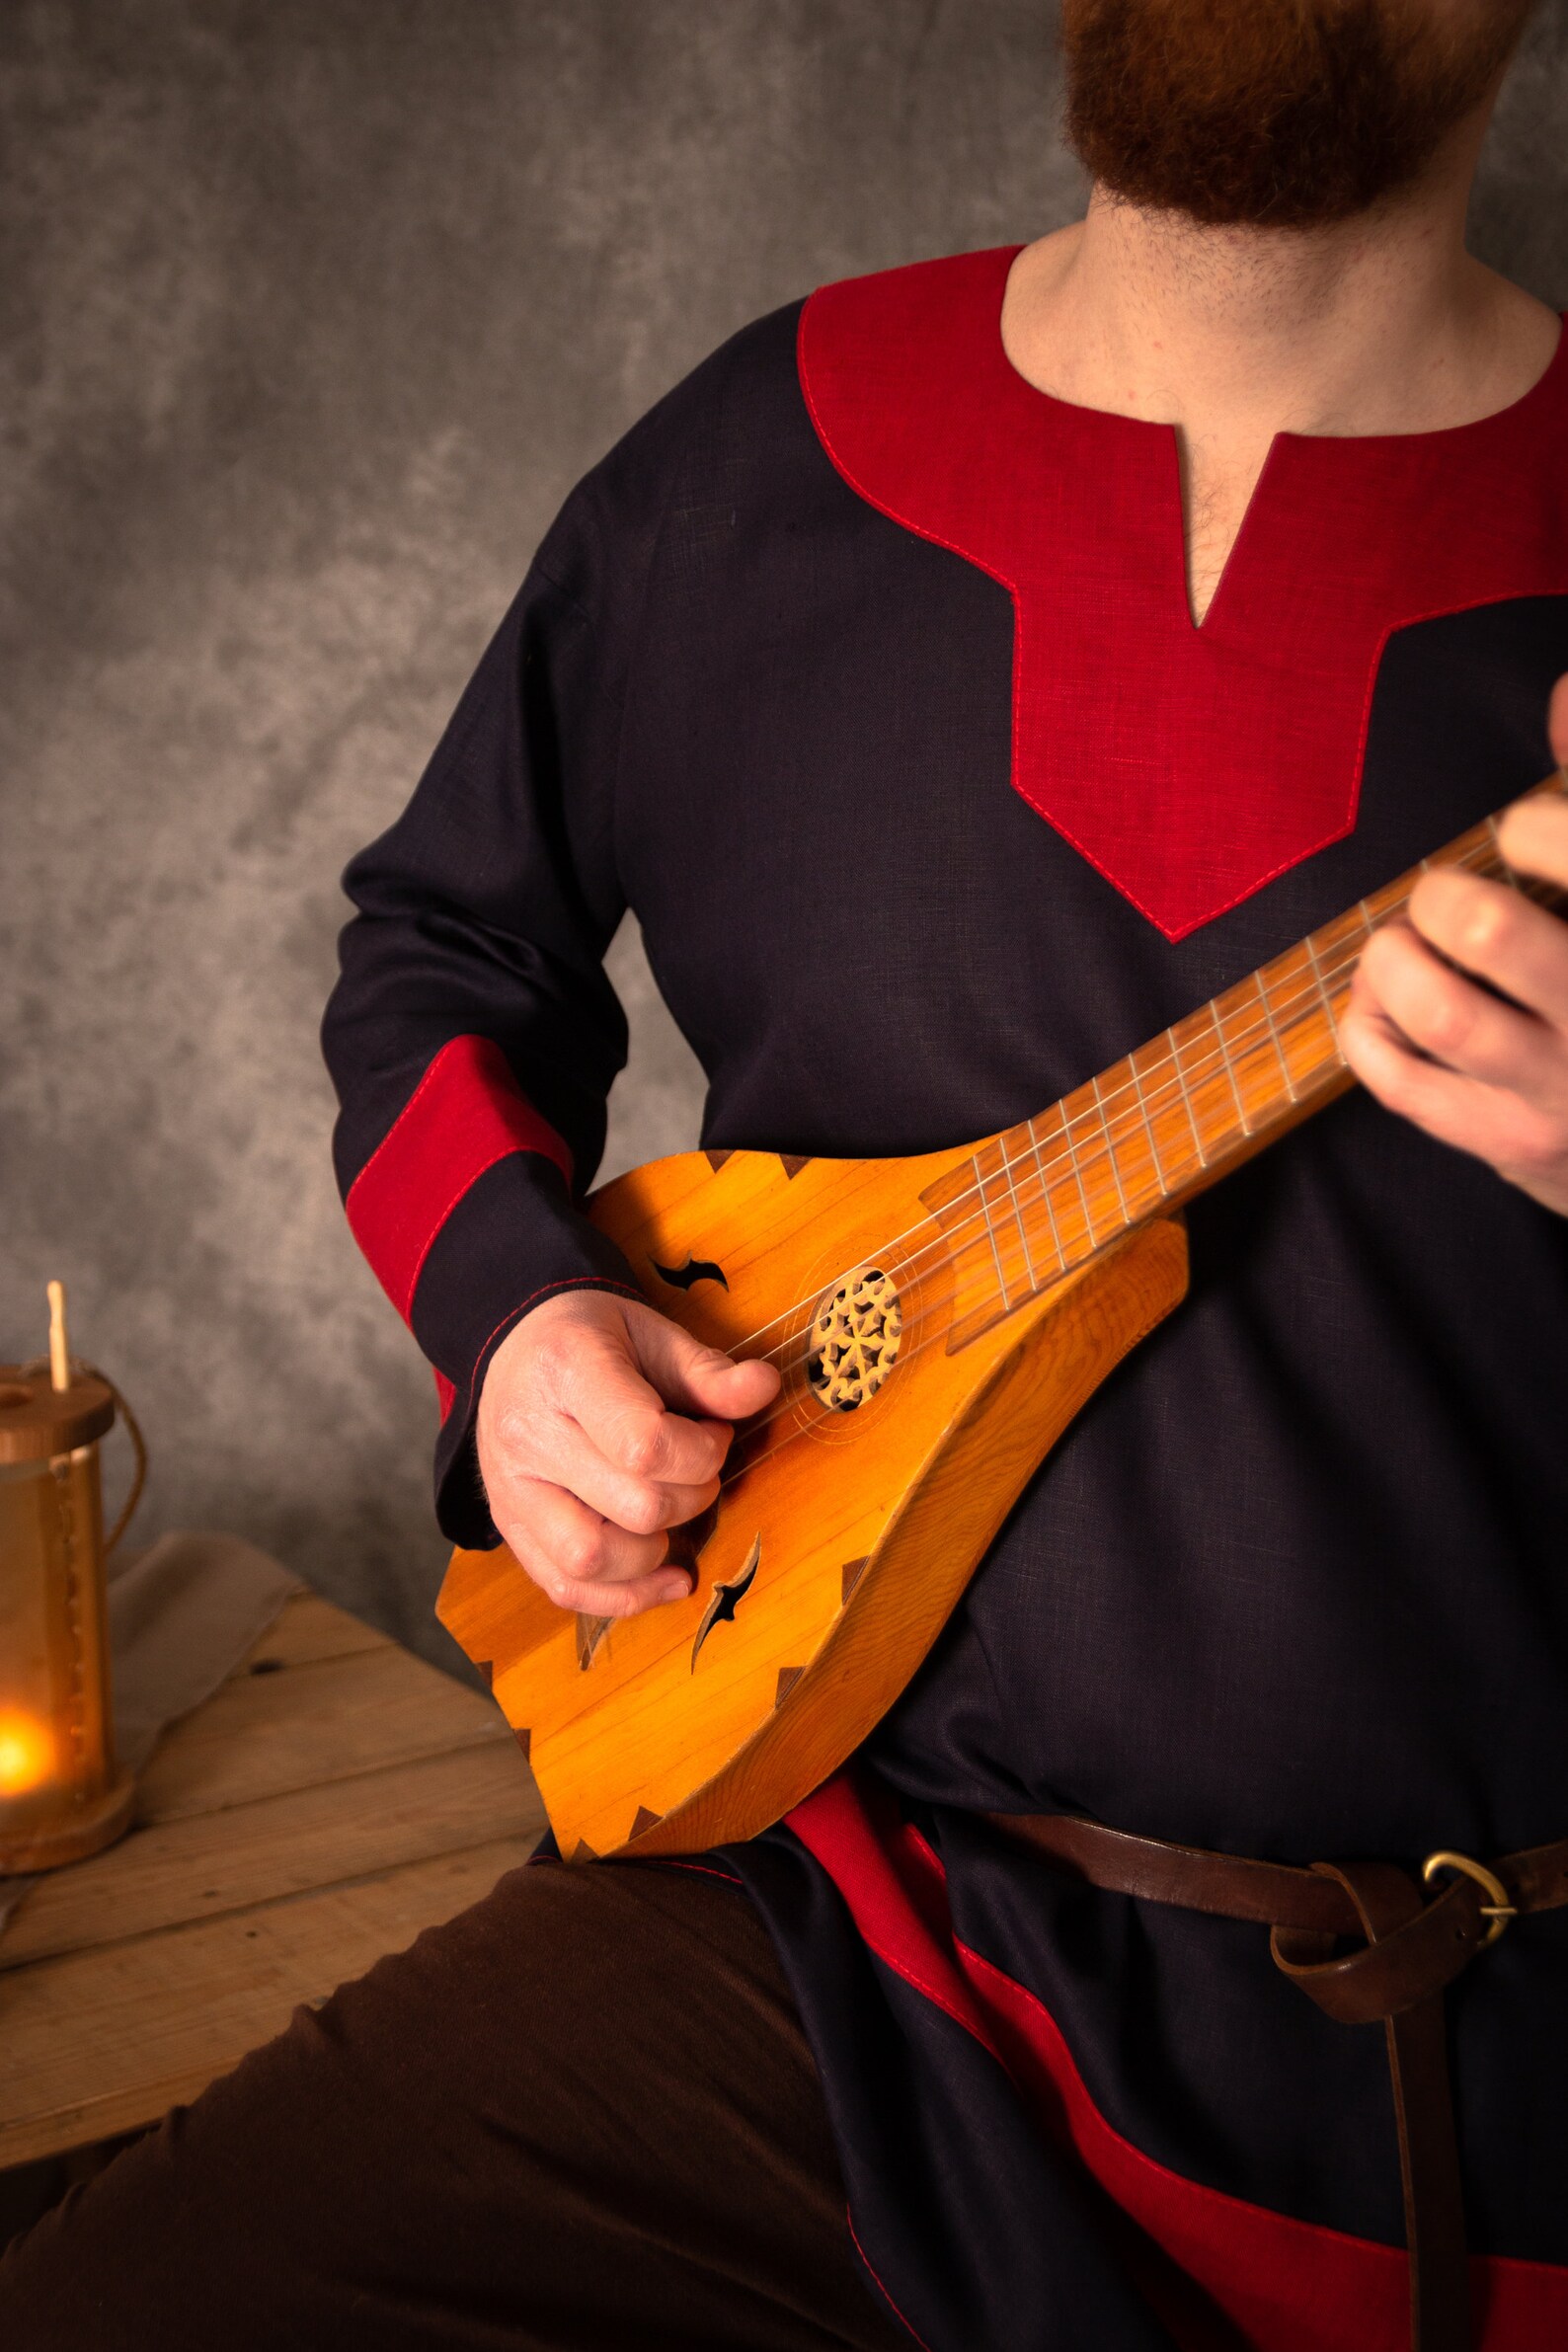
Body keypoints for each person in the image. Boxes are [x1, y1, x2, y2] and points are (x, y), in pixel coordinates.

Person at [5, 3, 1567, 2346]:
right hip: (843, 1945)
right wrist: (521, 1319)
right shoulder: (769, 452)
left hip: (1501, 2045)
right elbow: (439, 948)